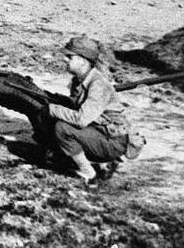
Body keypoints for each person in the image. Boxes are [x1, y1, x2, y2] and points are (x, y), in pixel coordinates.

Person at [37, 37, 143, 183]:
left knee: (62, 128)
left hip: (114, 141)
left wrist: (52, 109)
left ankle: (89, 172)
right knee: (59, 119)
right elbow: (75, 106)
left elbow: (81, 120)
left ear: (82, 60)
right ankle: (94, 162)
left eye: (69, 57)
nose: (65, 59)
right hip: (101, 132)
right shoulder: (79, 80)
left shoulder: (98, 85)